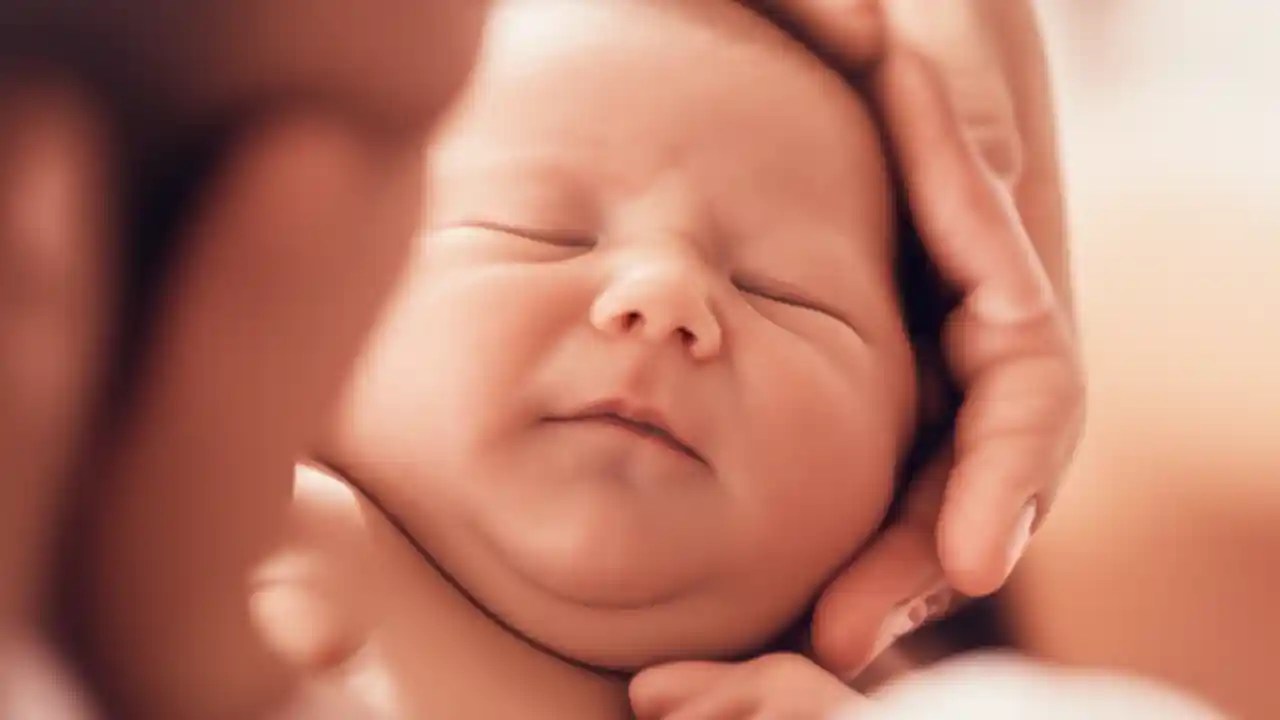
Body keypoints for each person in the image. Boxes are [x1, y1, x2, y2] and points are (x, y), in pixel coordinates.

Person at [0, 0, 1082, 716]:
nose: (664, 298)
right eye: (537, 232)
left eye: (785, 294)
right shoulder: (253, 520)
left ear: (925, 447)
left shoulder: (872, 688)